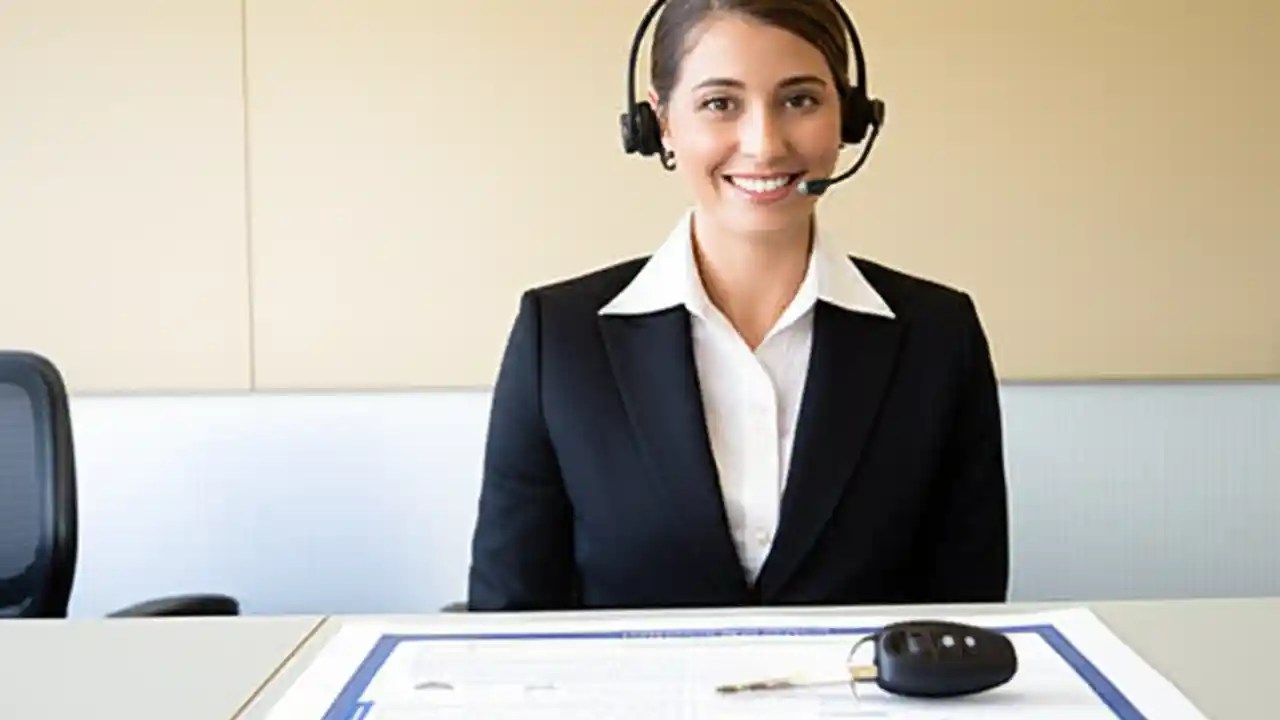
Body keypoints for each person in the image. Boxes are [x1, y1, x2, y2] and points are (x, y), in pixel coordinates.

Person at [467, 0, 1009, 611]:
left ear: (849, 119)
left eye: (800, 100)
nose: (764, 144)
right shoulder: (558, 339)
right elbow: (504, 624)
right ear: (660, 123)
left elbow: (967, 620)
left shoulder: (939, 337)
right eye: (720, 103)